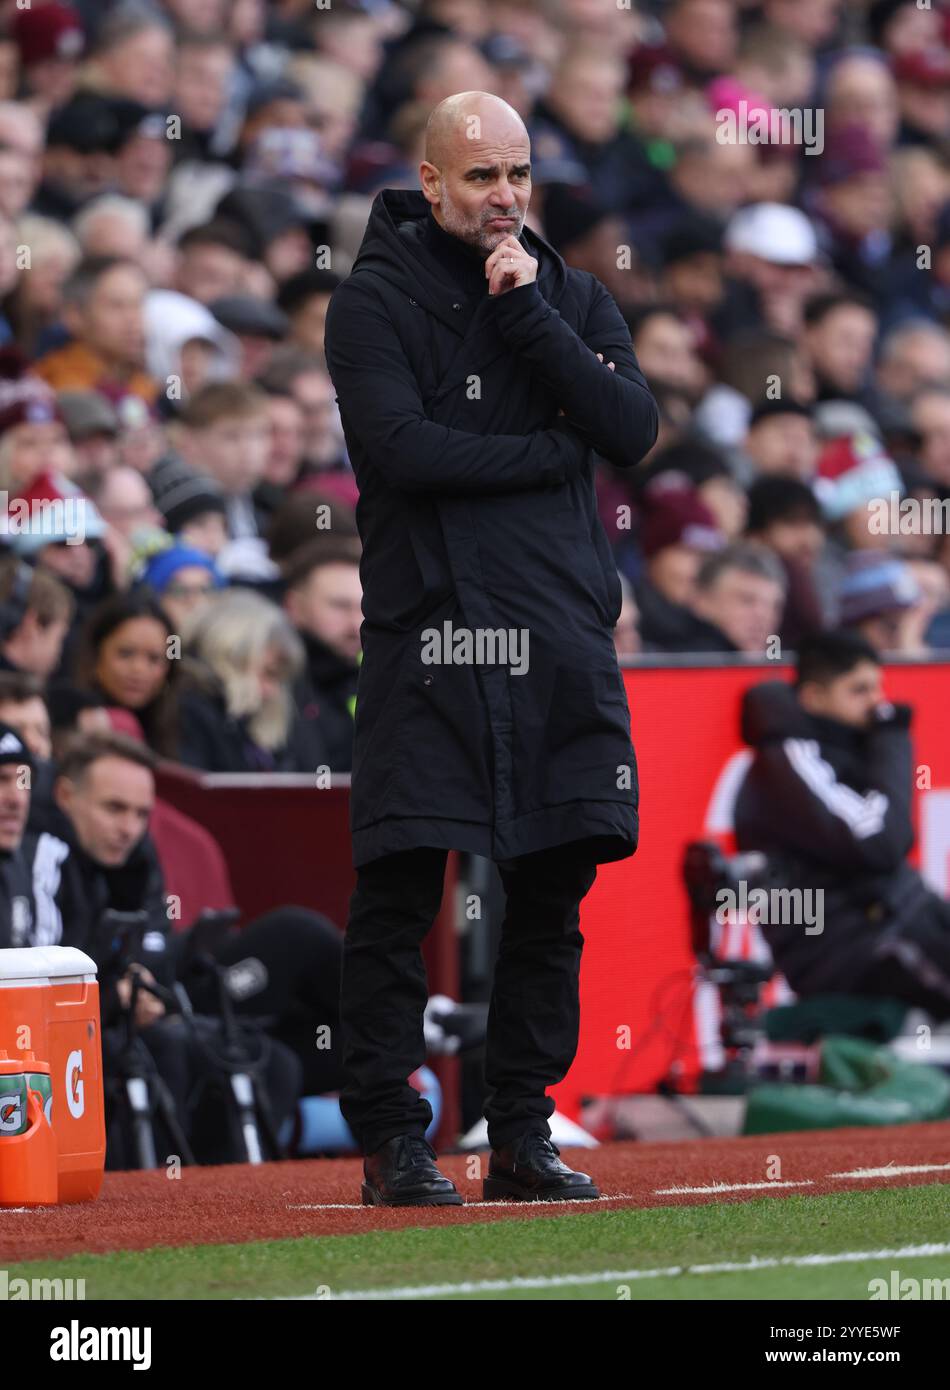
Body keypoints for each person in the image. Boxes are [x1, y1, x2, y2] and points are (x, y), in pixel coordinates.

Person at [324, 90, 658, 1206]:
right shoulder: (371, 302)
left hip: (559, 632)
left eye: (516, 174)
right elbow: (401, 452)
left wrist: (531, 321)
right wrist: (549, 455)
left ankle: (520, 1129)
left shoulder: (572, 295)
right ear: (430, 183)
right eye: (480, 176)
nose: (504, 195)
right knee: (398, 888)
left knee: (552, 889)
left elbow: (631, 429)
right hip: (429, 634)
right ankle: (391, 1136)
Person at [734, 630, 950, 1018]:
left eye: (878, 687)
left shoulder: (846, 745)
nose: (878, 703)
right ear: (814, 697)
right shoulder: (791, 758)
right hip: (843, 953)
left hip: (898, 923)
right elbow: (882, 843)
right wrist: (893, 742)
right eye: (859, 690)